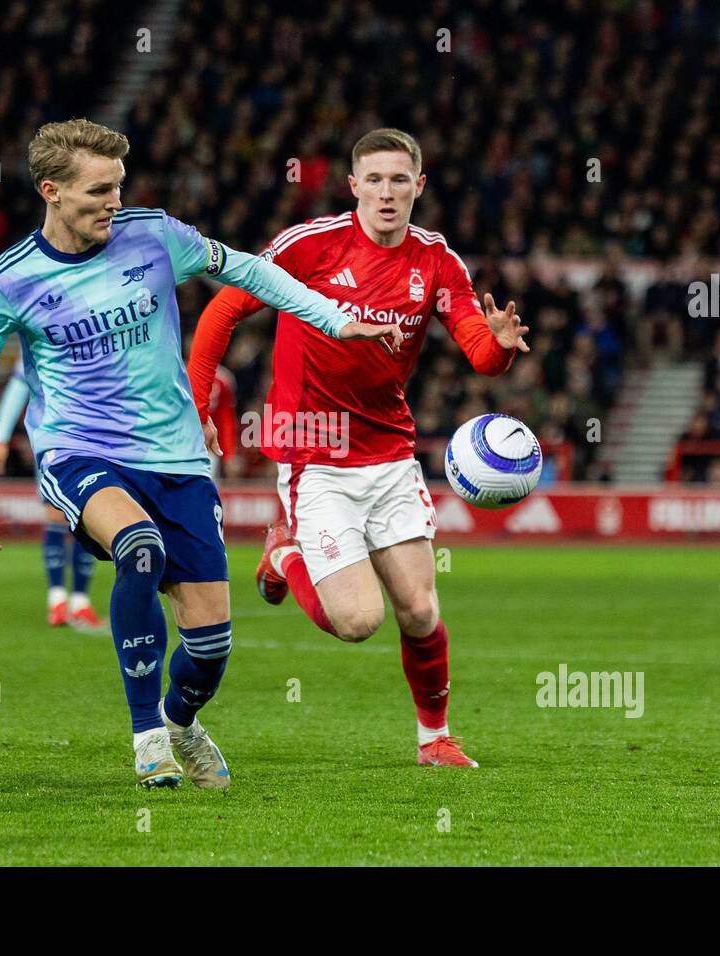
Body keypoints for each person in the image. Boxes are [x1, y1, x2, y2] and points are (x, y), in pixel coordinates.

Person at [0, 118, 401, 789]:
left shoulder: (154, 235)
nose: (114, 202)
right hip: (79, 451)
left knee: (210, 648)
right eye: (99, 190)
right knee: (138, 546)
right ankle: (147, 737)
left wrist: (335, 317)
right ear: (52, 191)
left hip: (178, 457)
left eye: (119, 187)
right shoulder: (10, 281)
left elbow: (247, 269)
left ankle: (181, 720)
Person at [187, 129, 530, 768]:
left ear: (419, 186)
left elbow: (481, 357)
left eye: (400, 180)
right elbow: (222, 313)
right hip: (312, 452)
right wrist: (198, 404)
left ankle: (435, 741)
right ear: (353, 187)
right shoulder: (309, 246)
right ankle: (284, 555)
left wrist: (502, 343)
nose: (387, 193)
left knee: (421, 610)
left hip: (390, 452)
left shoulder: (438, 263)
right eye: (373, 180)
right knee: (357, 622)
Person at [0, 354, 106, 631]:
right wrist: (0, 438)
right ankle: (59, 600)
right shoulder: (38, 336)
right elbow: (18, 386)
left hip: (93, 439)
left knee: (88, 517)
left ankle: (79, 601)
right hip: (52, 440)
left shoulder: (93, 335)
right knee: (57, 514)